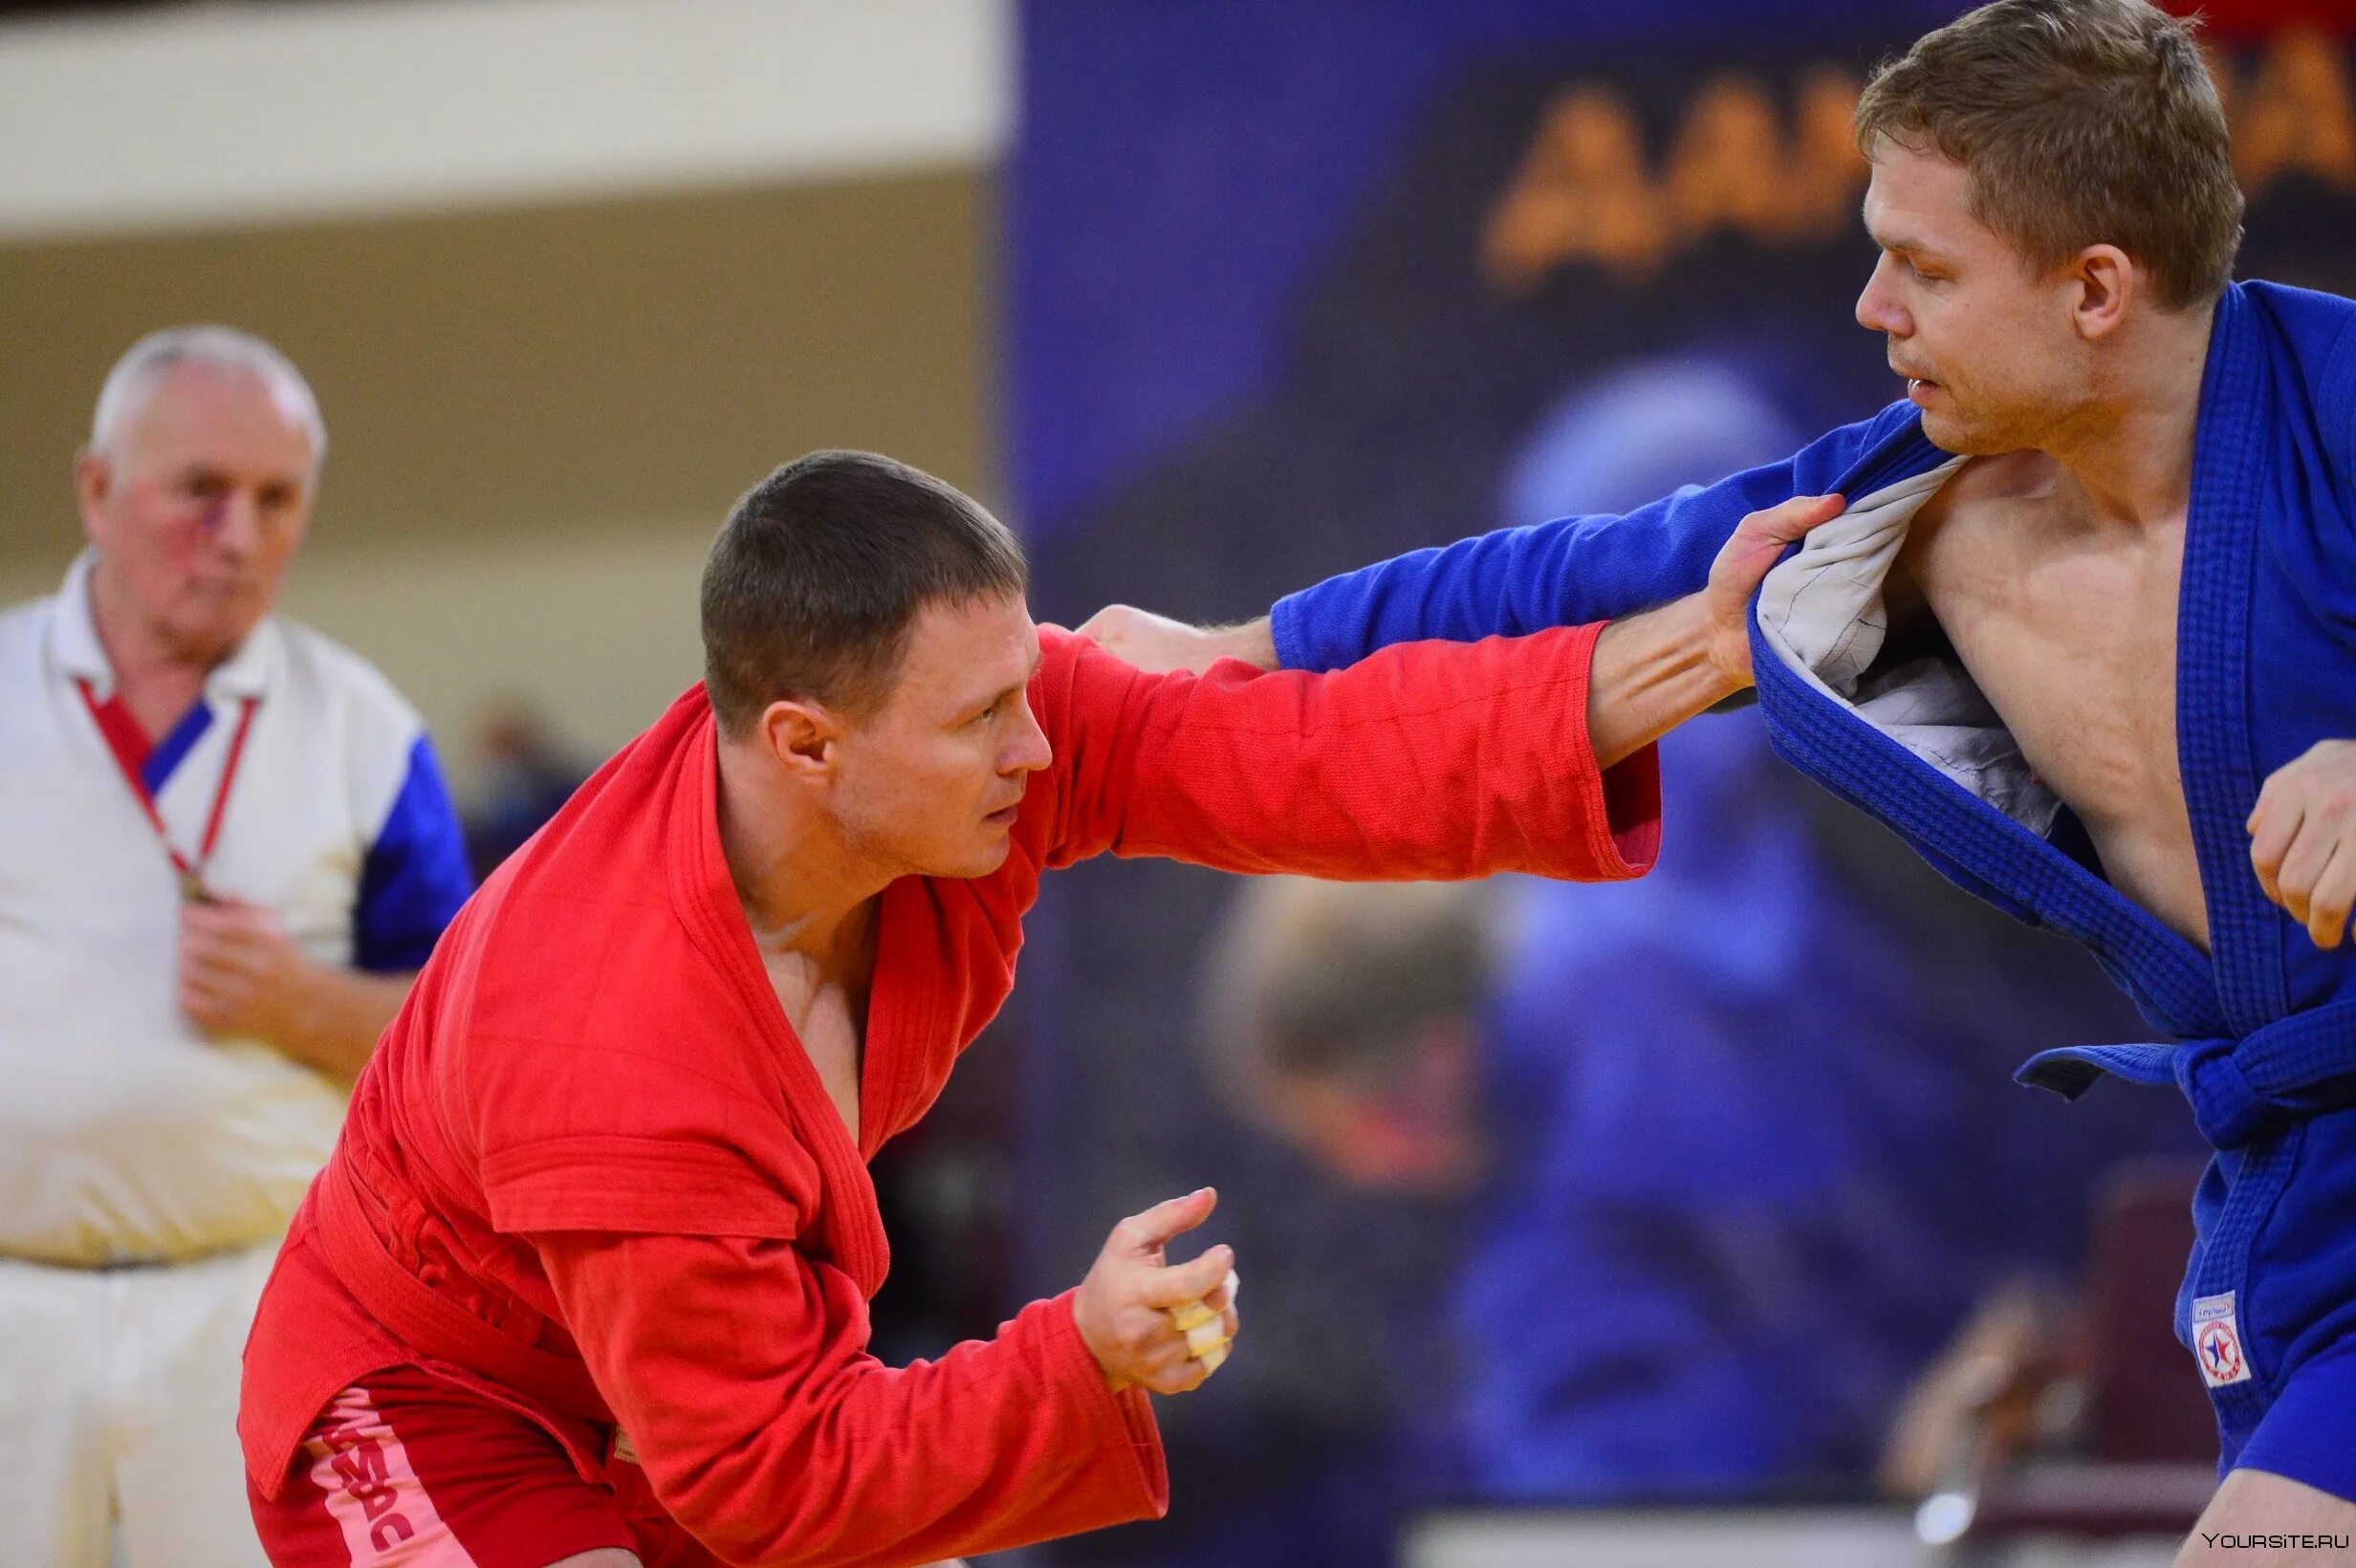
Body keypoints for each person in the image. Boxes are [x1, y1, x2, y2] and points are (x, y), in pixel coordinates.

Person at [1077, 2, 2356, 1559]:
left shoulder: (2338, 419)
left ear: (2096, 287)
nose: (1875, 308)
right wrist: (1248, 647)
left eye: (1926, 269)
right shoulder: (1897, 516)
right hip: (2288, 1210)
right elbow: (1561, 576)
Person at [236, 448, 1830, 1566]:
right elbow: (773, 1478)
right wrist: (1072, 1356)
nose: (1041, 746)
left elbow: (1305, 756)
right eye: (984, 719)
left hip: (666, 1385)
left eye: (1025, 683)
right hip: (435, 1404)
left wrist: (1694, 655)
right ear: (805, 746)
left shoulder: (959, 761)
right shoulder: (614, 1039)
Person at [0, 326, 473, 1565]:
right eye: (201, 490)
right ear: (97, 489)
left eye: (277, 498)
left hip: (263, 1302)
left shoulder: (362, 731)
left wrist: (303, 1003)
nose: (240, 535)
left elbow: (465, 1042)